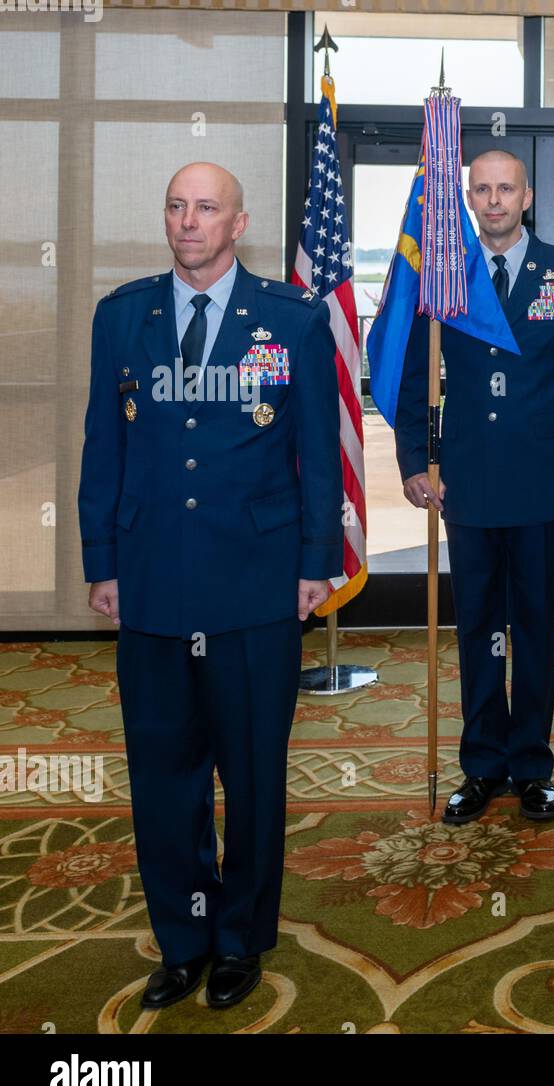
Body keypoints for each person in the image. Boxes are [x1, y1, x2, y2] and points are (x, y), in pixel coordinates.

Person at [78, 162, 343, 1010]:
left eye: (206, 209)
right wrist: (101, 561)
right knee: (164, 776)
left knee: (253, 774)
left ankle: (239, 940)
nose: (188, 222)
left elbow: (315, 458)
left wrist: (314, 562)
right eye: (176, 207)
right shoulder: (122, 318)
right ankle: (184, 937)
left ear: (238, 224)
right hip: (152, 583)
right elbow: (101, 451)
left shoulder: (291, 319)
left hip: (255, 586)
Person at [397, 150, 554, 824]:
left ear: (527, 195)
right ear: (468, 198)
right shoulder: (447, 275)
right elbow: (418, 373)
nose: (495, 200)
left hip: (540, 484)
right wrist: (417, 458)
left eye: (506, 188)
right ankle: (481, 765)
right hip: (467, 483)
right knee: (477, 629)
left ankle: (531, 765)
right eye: (482, 189)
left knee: (533, 629)